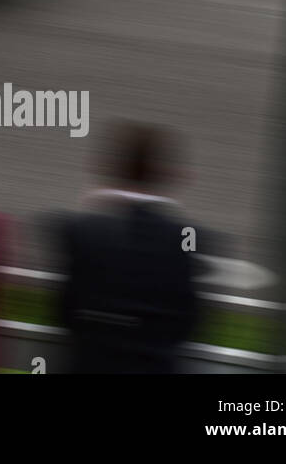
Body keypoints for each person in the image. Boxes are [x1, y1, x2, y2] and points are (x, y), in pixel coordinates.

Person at [49, 123, 199, 374]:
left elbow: (66, 311)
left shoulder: (80, 230)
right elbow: (188, 322)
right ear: (164, 173)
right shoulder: (187, 238)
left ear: (113, 167)